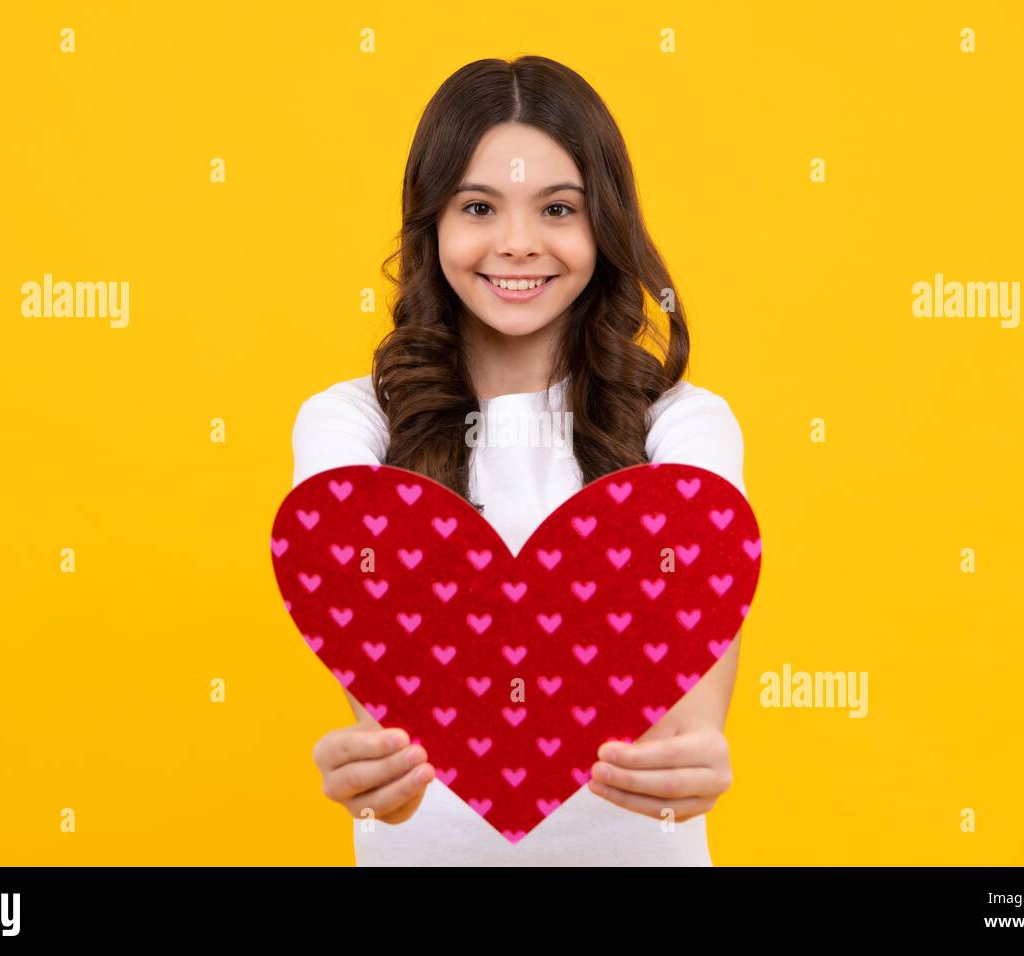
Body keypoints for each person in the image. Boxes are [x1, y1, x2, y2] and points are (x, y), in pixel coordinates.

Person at [292, 55, 748, 865]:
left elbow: (693, 710)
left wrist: (698, 757)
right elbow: (378, 702)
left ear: (603, 225)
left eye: (557, 209)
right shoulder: (348, 426)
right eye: (478, 206)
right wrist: (377, 785)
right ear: (431, 224)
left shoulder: (685, 428)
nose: (516, 244)